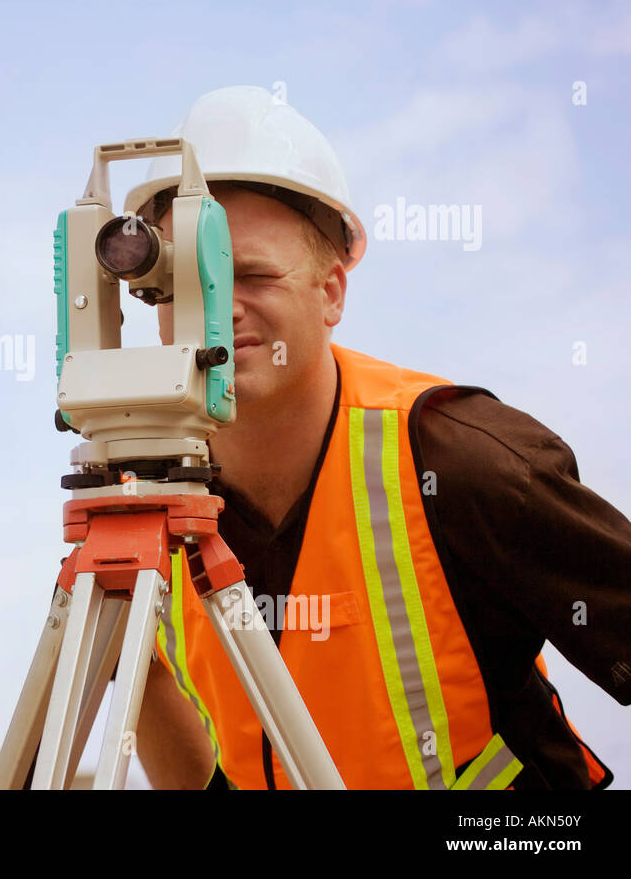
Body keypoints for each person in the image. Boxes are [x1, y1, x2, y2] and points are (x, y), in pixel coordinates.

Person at [129, 86, 629, 790]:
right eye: (185, 282)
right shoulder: (145, 502)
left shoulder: (461, 463)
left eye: (251, 274)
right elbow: (151, 677)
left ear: (332, 292)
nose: (216, 310)